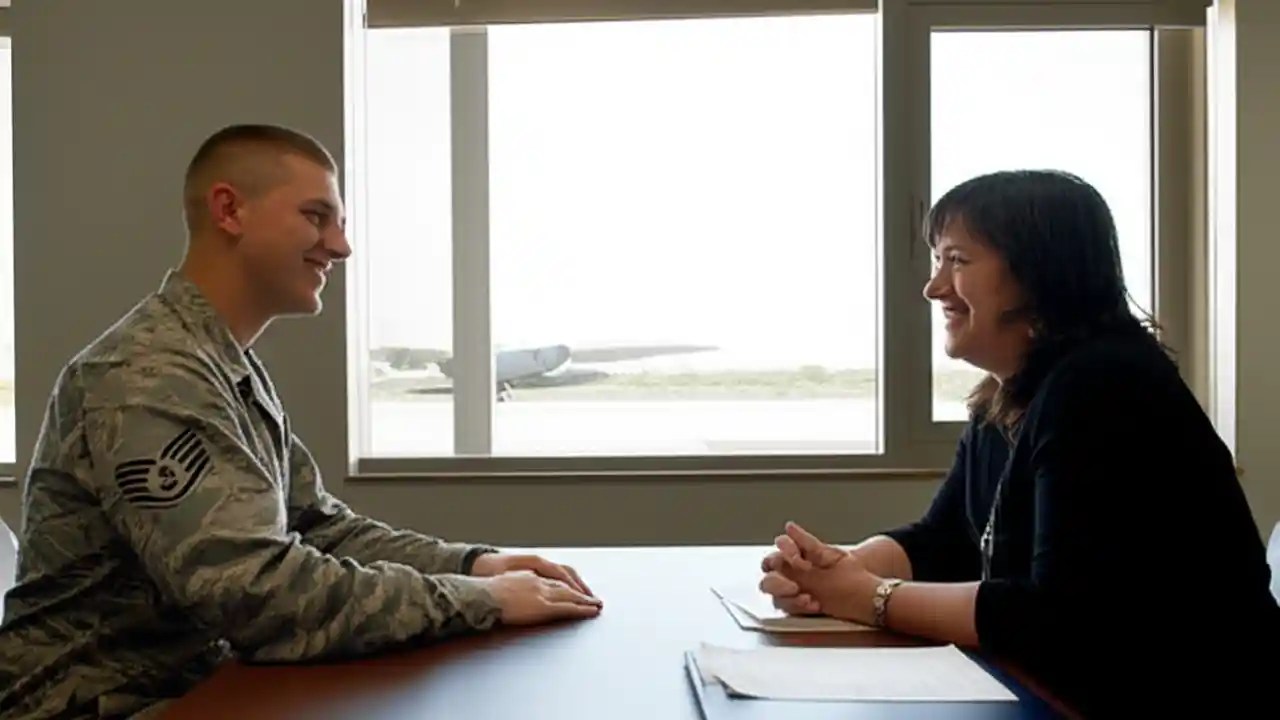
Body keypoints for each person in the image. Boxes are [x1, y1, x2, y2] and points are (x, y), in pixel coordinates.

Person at [0, 124, 602, 719]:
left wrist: (471, 564)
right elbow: (256, 592)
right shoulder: (146, 375)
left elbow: (316, 527)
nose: (340, 246)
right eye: (317, 217)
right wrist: (482, 601)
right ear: (229, 210)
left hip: (194, 686)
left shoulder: (221, 364)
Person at [759, 170, 1279, 714]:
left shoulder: (1105, 387)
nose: (934, 288)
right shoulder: (1007, 396)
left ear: (1037, 275)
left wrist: (869, 598)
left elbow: (1056, 620)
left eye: (956, 261)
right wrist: (838, 570)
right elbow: (946, 540)